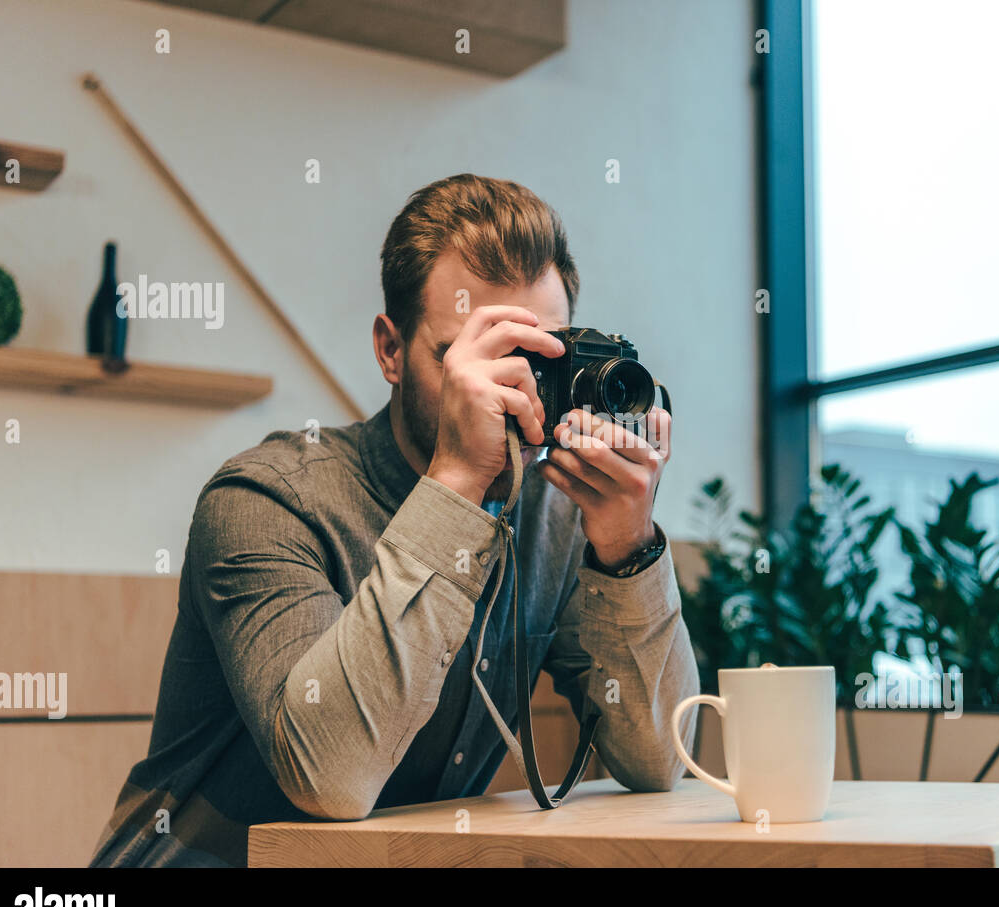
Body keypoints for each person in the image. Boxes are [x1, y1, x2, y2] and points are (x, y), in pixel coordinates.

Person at [89, 173, 700, 867]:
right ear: (390, 349)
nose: (509, 391)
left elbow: (657, 760)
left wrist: (627, 549)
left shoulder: (555, 519)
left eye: (537, 360)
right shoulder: (265, 500)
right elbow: (333, 777)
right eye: (474, 358)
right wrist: (458, 482)